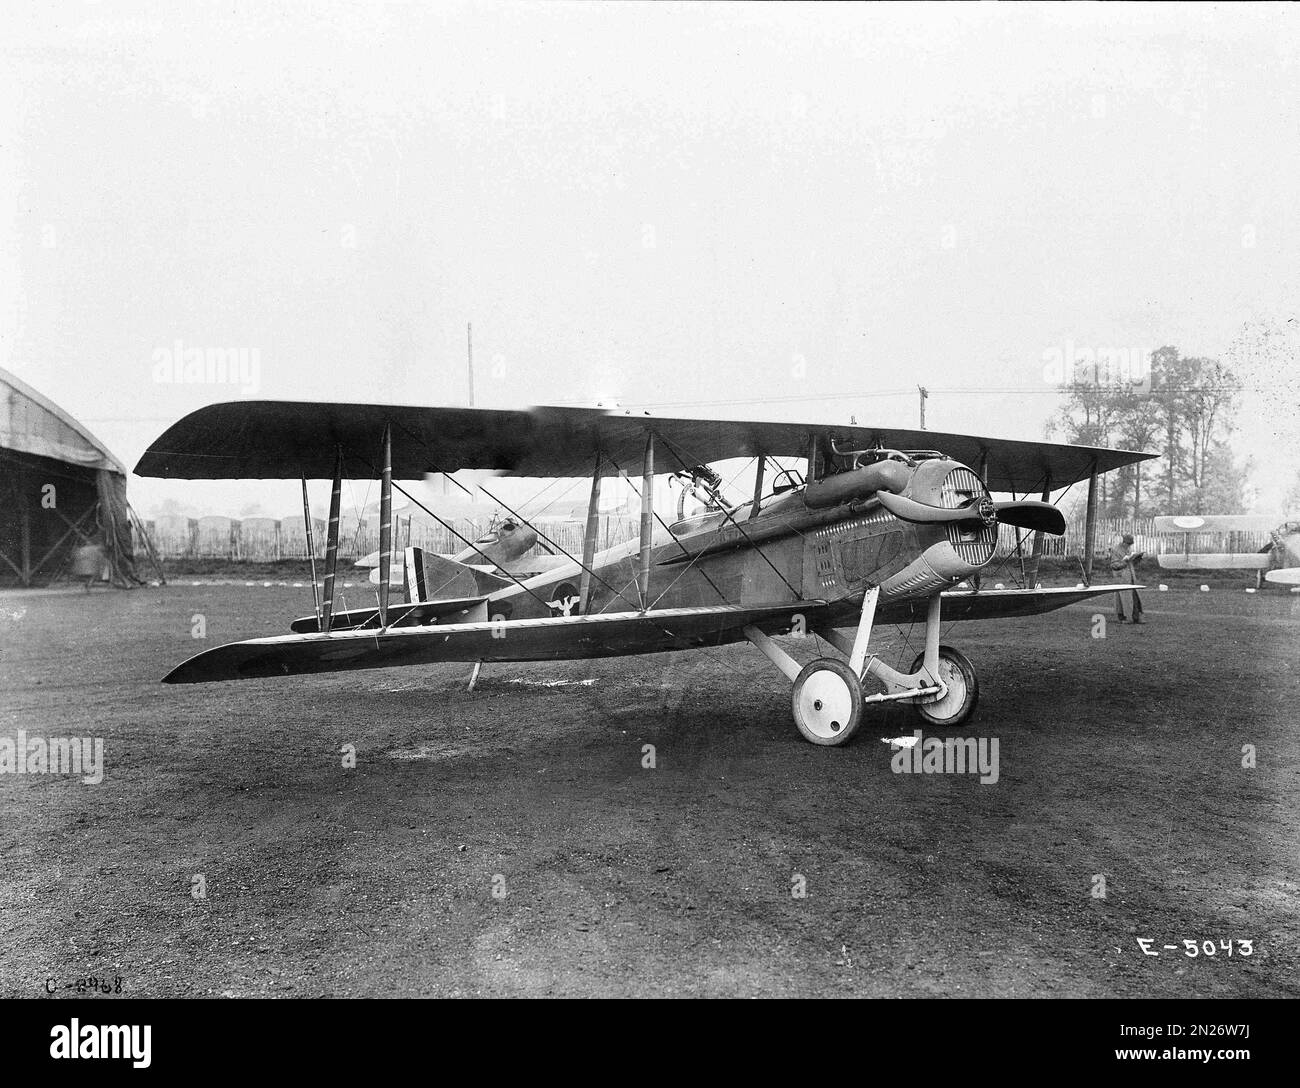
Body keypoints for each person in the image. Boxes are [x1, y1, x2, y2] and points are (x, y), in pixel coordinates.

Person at [1108, 533, 1145, 623]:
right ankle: (1126, 617)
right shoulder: (1115, 550)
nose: (1129, 546)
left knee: (1135, 598)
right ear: (1124, 542)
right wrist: (1125, 562)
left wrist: (1137, 559)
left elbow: (1131, 563)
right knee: (1124, 599)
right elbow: (1114, 565)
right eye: (1128, 544)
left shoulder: (1127, 549)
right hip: (1121, 578)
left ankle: (1136, 617)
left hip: (1130, 577)